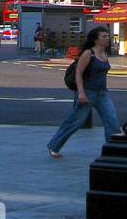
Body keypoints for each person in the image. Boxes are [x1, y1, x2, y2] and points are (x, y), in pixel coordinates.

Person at [47, 26, 120, 158]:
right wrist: (81, 92)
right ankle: (54, 145)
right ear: (96, 39)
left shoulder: (104, 53)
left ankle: (112, 150)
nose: (107, 38)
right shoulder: (88, 53)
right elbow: (78, 73)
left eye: (107, 36)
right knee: (76, 121)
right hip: (88, 92)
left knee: (112, 120)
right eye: (104, 36)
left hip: (102, 92)